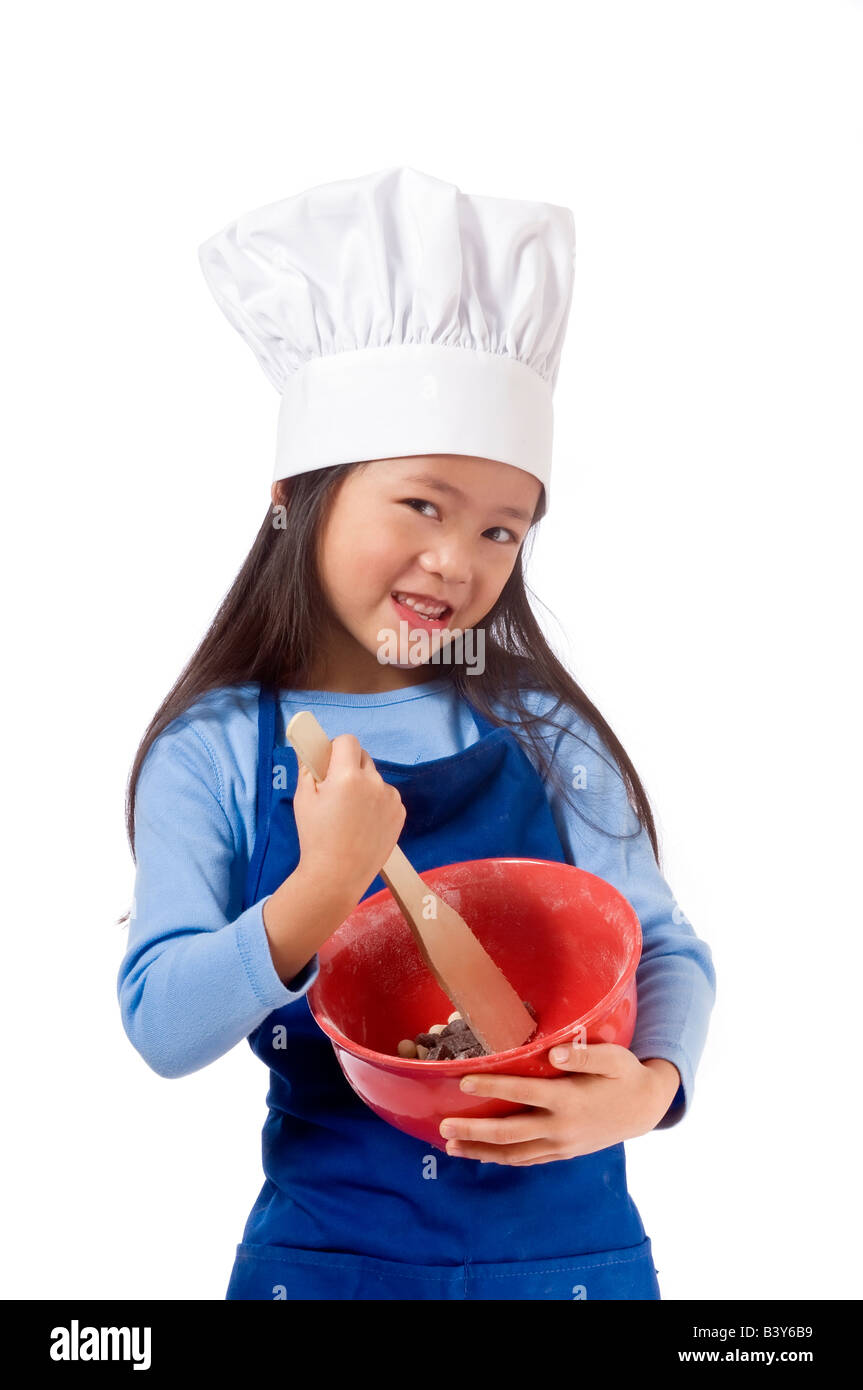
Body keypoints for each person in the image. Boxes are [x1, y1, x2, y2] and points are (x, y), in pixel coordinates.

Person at [117, 166, 716, 1300]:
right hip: (331, 1264)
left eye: (501, 528)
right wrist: (323, 885)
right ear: (298, 490)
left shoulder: (544, 727)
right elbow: (160, 1022)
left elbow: (660, 943)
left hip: (569, 1264)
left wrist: (646, 1088)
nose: (459, 560)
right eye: (422, 503)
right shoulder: (214, 746)